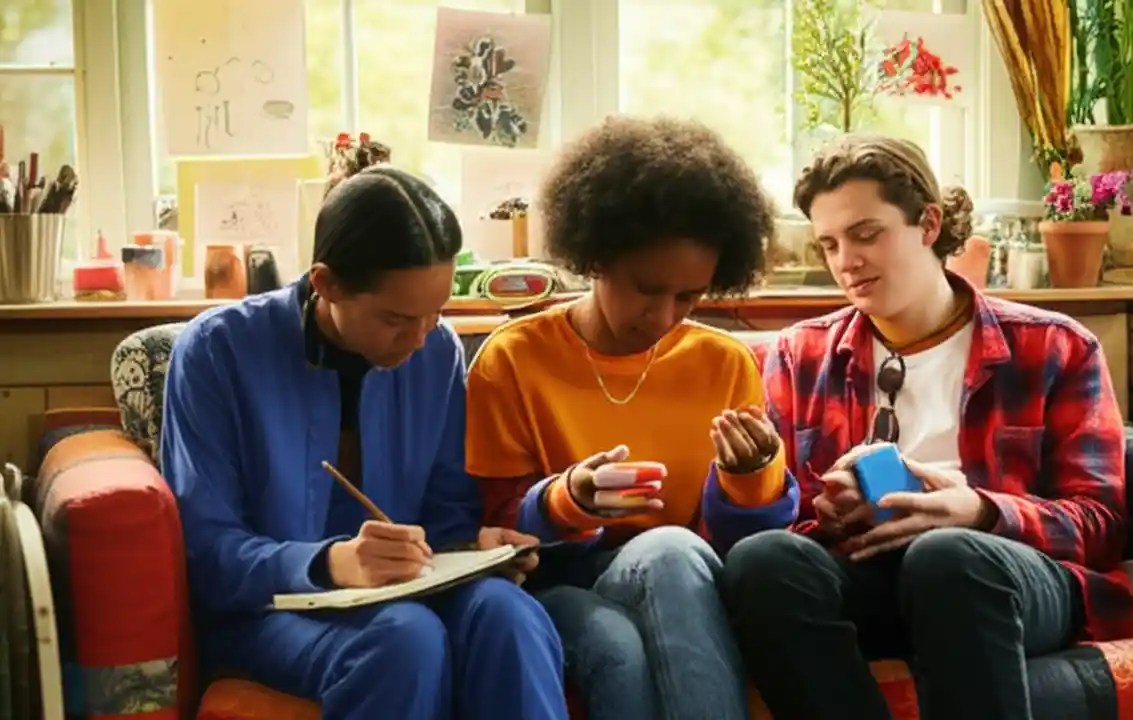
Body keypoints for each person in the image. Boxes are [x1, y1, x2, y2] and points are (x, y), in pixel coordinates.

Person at [719, 136, 1133, 720]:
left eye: (867, 234)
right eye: (830, 244)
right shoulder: (798, 356)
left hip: (1003, 577)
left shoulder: (1054, 346)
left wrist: (981, 511)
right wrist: (827, 514)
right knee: (764, 561)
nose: (847, 262)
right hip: (867, 573)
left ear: (928, 224)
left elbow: (1102, 525)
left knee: (945, 557)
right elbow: (781, 520)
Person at [162, 166, 567, 720]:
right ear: (326, 284)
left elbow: (446, 515)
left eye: (436, 313)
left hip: (404, 595)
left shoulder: (438, 351)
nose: (422, 337)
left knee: (510, 615)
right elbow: (207, 553)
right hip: (265, 613)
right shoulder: (216, 352)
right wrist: (330, 562)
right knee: (404, 639)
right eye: (397, 319)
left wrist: (476, 549)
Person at [465, 116, 800, 720]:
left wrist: (753, 476)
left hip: (682, 580)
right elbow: (494, 529)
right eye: (646, 288)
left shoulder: (723, 362)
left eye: (689, 296)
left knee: (670, 552)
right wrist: (569, 500)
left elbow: (739, 547)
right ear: (595, 257)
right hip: (558, 583)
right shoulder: (513, 358)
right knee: (615, 639)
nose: (664, 315)